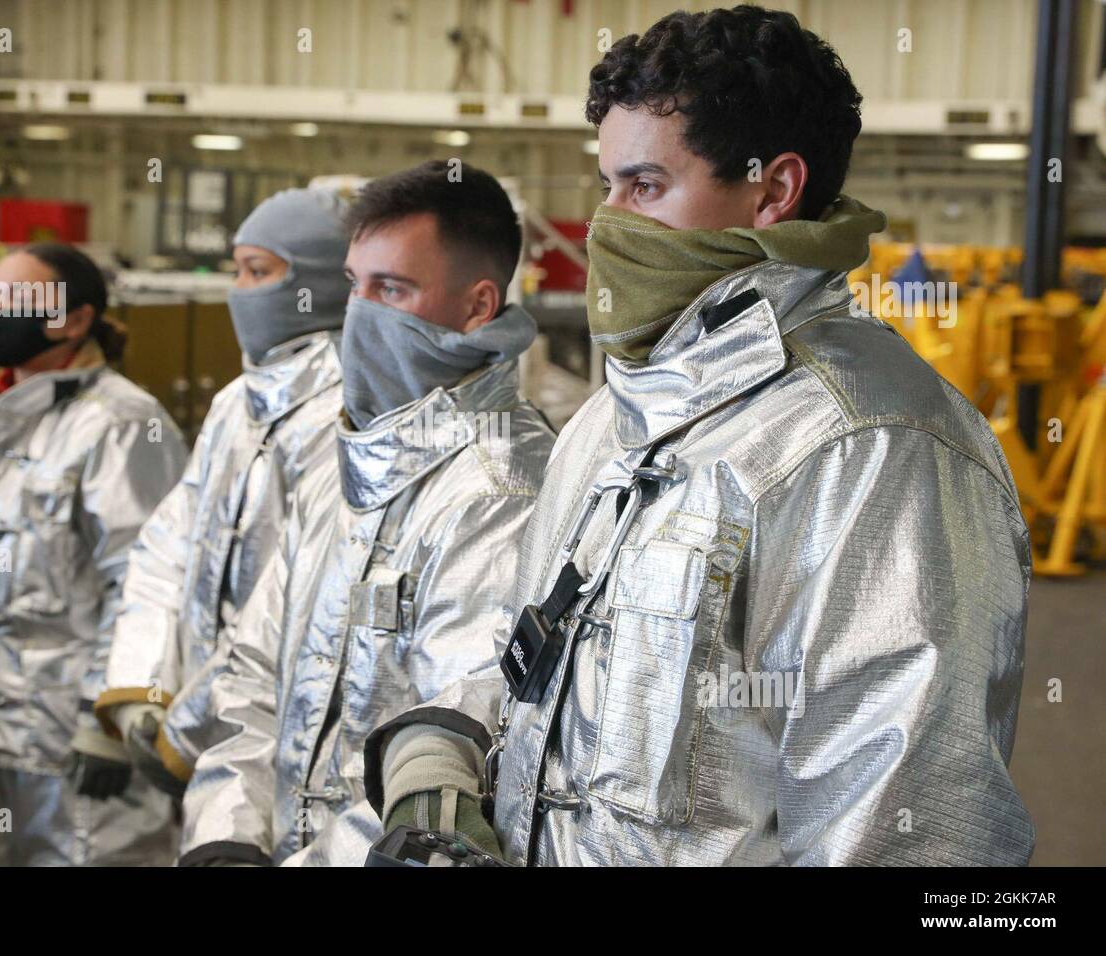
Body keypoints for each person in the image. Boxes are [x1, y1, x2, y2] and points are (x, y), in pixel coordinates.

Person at [363, 5, 1036, 866]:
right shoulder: (615, 418)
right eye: (605, 185)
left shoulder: (874, 448)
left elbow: (903, 831)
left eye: (644, 186)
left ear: (774, 188)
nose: (609, 222)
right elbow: (547, 662)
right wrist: (449, 756)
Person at [177, 161, 556, 866]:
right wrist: (226, 832)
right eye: (356, 285)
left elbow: (456, 753)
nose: (360, 313)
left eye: (392, 289)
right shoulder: (341, 462)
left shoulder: (500, 493)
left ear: (477, 306)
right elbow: (253, 670)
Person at [0, 243, 187, 865]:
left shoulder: (120, 424)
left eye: (18, 298)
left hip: (60, 739)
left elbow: (150, 583)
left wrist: (108, 718)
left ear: (73, 320)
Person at [93, 188, 350, 796]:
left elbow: (289, 607)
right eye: (237, 270)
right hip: (194, 728)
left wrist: (187, 728)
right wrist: (142, 686)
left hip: (284, 739)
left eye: (260, 272)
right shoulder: (238, 403)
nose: (240, 290)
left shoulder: (347, 415)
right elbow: (168, 546)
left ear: (321, 280)